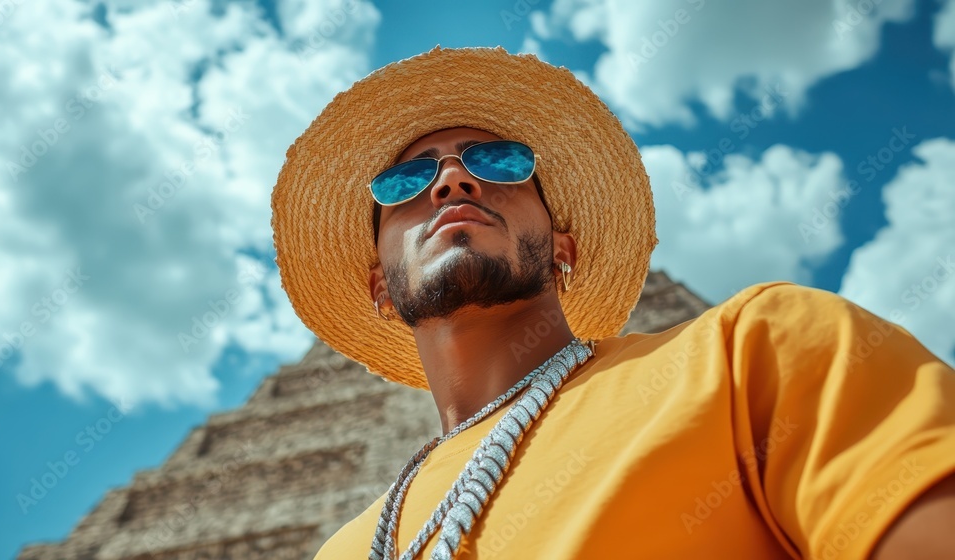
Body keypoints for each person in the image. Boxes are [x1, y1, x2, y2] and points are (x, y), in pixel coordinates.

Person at [271, 47, 955, 559]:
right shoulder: (351, 546)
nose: (452, 181)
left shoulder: (754, 353)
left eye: (499, 162)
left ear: (564, 248)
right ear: (381, 289)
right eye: (408, 180)